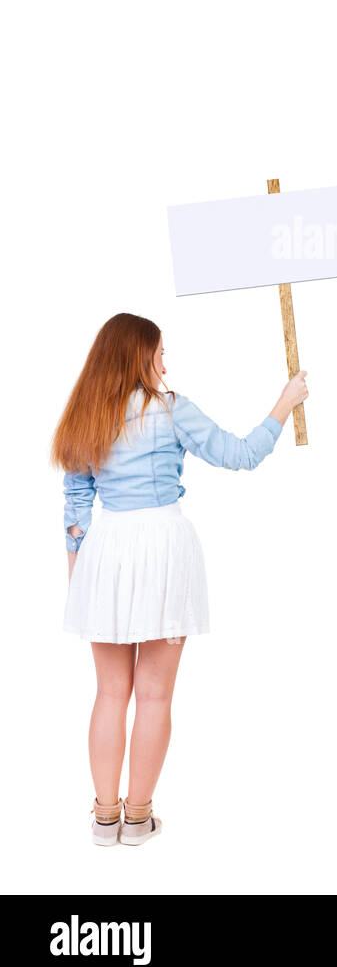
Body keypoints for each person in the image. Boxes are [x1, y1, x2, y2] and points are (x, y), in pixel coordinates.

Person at [50, 311, 308, 846]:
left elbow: (77, 506)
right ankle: (138, 817)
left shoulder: (86, 415)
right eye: (160, 352)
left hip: (106, 556)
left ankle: (104, 818)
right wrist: (286, 401)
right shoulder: (171, 412)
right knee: (155, 695)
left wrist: (80, 578)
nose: (166, 362)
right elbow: (241, 454)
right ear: (140, 355)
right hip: (164, 553)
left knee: (110, 693)